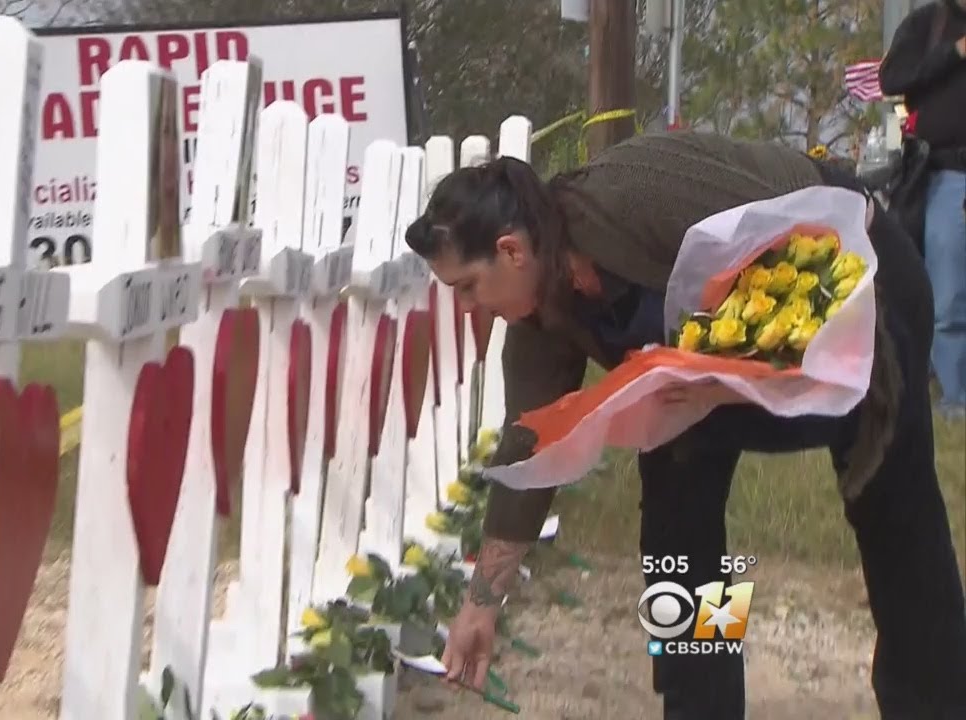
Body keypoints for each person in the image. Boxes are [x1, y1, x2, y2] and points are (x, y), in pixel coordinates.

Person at [403, 130, 966, 719]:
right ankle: (701, 708)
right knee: (677, 532)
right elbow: (531, 451)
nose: (466, 307)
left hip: (853, 281)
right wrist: (481, 604)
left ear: (511, 250)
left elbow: (814, 223)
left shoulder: (639, 199)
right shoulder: (538, 320)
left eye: (466, 286)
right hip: (708, 369)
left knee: (893, 511)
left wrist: (776, 349)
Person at [879, 0, 966, 418]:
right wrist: (954, 53)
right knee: (946, 291)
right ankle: (954, 398)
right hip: (946, 173)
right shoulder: (929, 24)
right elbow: (892, 78)